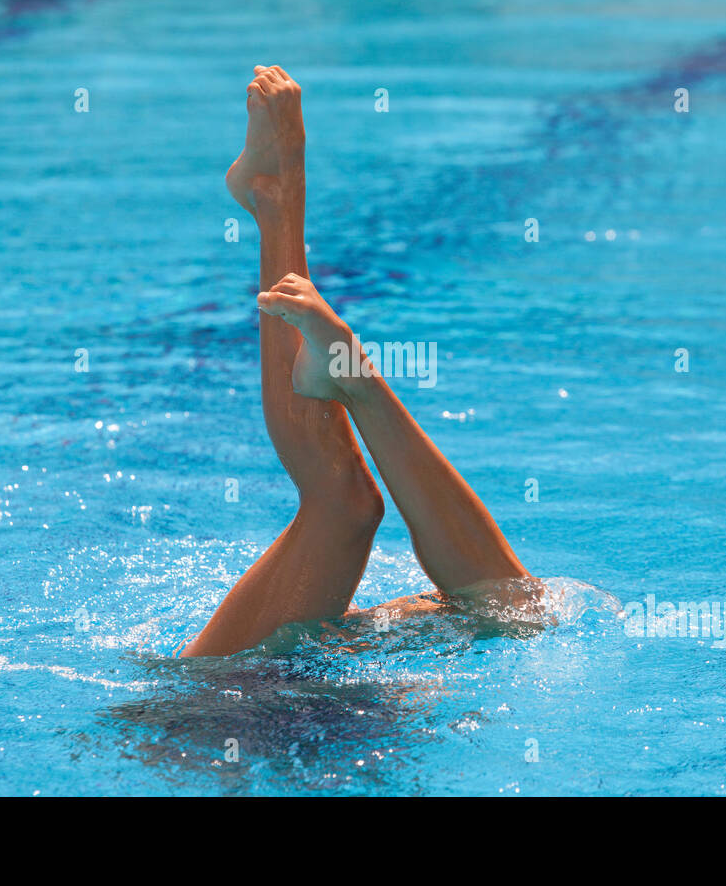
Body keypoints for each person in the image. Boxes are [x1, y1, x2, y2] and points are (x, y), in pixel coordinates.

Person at [181, 65, 534, 657]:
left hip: (215, 707)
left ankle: (277, 204)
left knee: (345, 504)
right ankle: (278, 207)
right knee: (516, 609)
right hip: (231, 707)